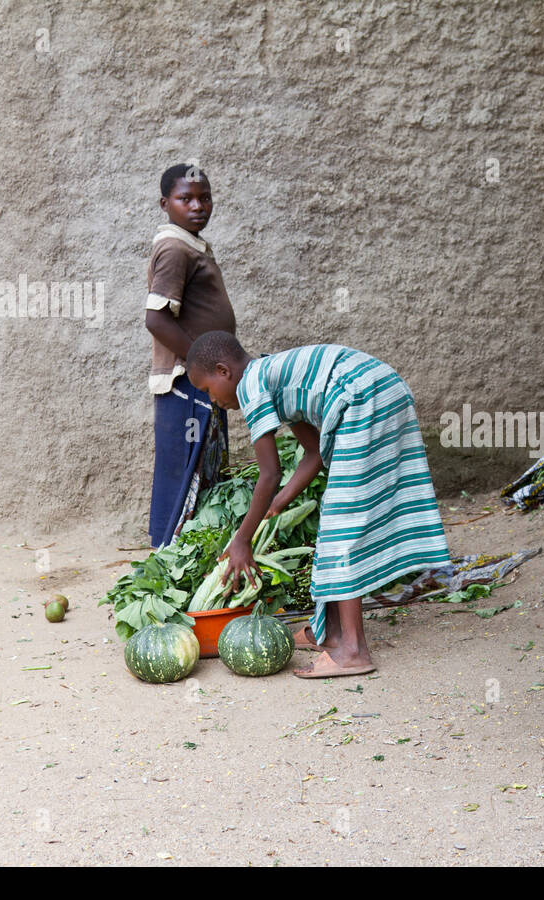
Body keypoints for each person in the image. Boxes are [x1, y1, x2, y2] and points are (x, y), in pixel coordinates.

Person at [185, 331, 452, 679]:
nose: (214, 401)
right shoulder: (272, 378)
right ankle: (330, 633)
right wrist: (278, 504)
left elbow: (269, 473)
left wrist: (241, 541)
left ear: (224, 371)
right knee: (336, 518)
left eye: (208, 391)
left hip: (366, 397)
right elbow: (313, 454)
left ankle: (353, 651)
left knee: (342, 525)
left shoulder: (251, 386)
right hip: (379, 388)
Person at [145, 163, 236, 548]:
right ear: (166, 203)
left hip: (203, 383)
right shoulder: (173, 248)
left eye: (205, 198)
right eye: (186, 199)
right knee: (185, 469)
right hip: (188, 385)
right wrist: (201, 365)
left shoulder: (190, 244)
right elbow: (156, 318)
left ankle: (191, 550)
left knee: (204, 468)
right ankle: (168, 554)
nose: (197, 206)